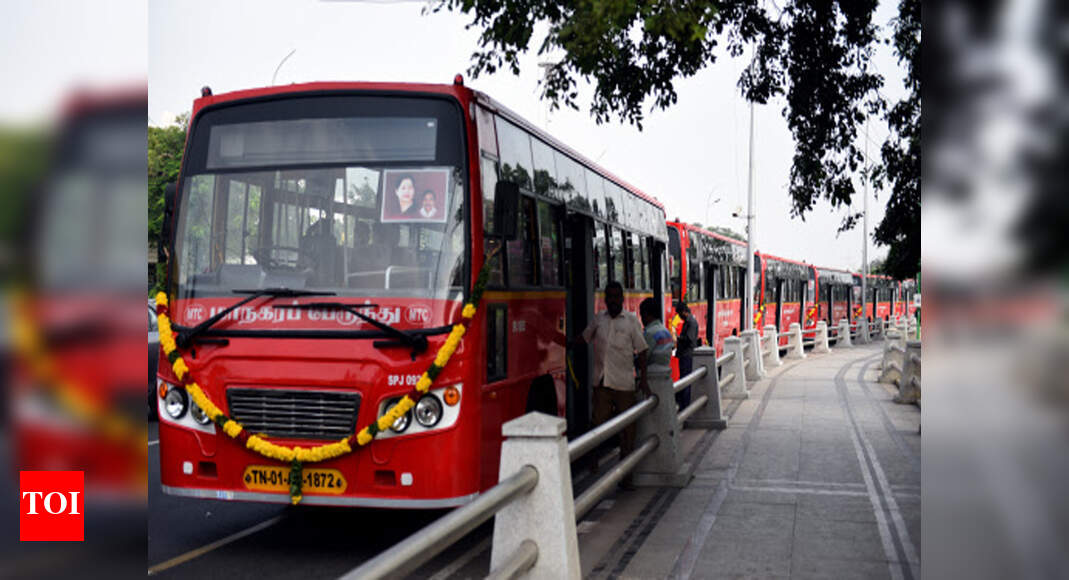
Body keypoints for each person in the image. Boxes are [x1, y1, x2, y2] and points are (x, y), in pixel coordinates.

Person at [573, 281, 648, 490]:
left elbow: (642, 350)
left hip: (624, 384)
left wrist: (643, 378)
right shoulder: (599, 320)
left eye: (616, 297)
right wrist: (564, 343)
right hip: (602, 382)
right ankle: (594, 460)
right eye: (610, 297)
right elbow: (584, 338)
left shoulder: (631, 322)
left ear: (622, 299)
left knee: (627, 432)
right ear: (605, 299)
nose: (613, 301)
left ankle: (627, 476)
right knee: (598, 425)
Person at [639, 298, 674, 378]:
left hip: (652, 379)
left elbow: (643, 359)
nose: (642, 319)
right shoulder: (666, 331)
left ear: (646, 314)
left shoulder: (649, 333)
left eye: (642, 315)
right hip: (666, 377)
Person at [674, 301, 698, 409]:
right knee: (684, 378)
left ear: (684, 312)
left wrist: (678, 338)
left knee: (686, 379)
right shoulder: (688, 322)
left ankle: (685, 405)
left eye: (679, 314)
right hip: (684, 354)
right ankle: (684, 403)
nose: (679, 316)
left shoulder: (691, 322)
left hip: (687, 355)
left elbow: (690, 338)